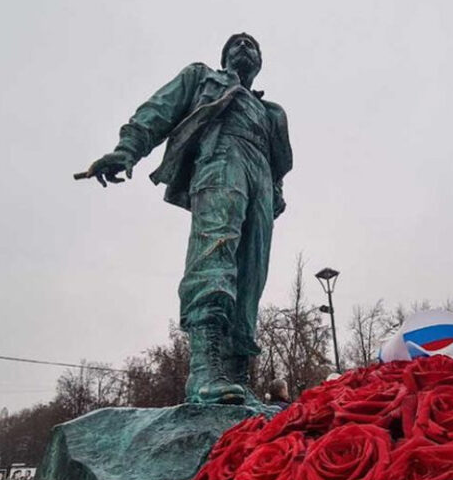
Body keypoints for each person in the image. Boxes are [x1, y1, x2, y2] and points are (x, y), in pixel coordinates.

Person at [78, 34, 292, 405]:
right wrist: (126, 150)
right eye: (236, 43)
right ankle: (206, 372)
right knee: (214, 250)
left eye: (251, 44)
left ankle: (236, 375)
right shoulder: (202, 78)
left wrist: (275, 191)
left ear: (259, 62)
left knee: (251, 277)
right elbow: (157, 111)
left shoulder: (272, 113)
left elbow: (279, 165)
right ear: (224, 56)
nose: (244, 46)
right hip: (220, 158)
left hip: (260, 177)